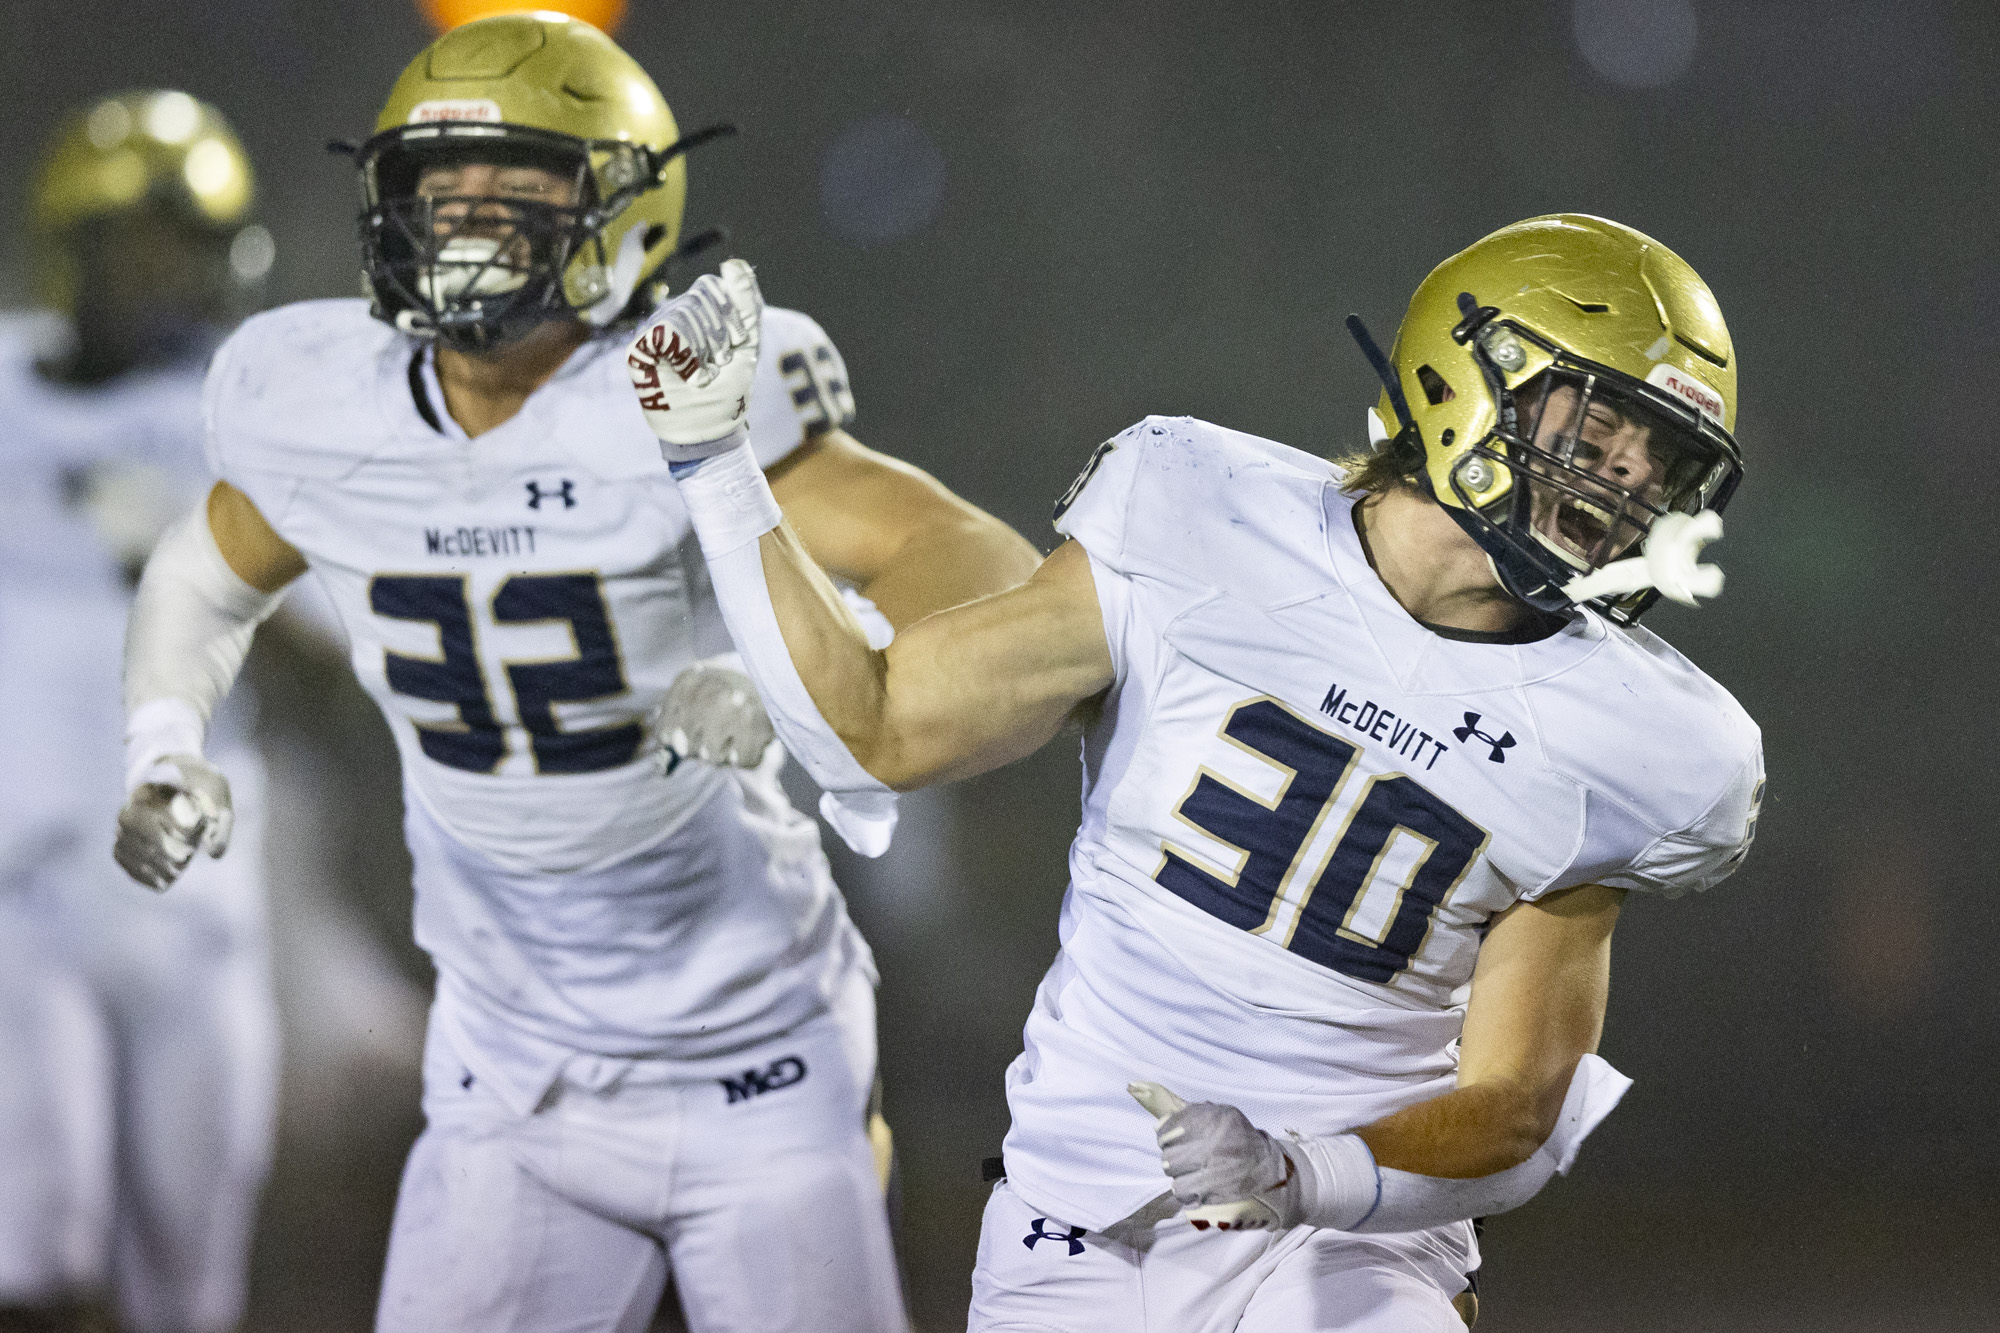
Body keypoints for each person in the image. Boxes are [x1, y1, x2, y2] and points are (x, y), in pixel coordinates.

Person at [626, 214, 1766, 1330]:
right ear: (1471, 378)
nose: (1628, 475)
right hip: (1078, 1218)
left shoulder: (1635, 739)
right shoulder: (1195, 512)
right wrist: (715, 462)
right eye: (1602, 425)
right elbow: (875, 727)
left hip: (1349, 1238)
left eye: (1659, 456)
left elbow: (1513, 1108)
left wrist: (1299, 1172)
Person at [112, 14, 1039, 1333]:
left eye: (521, 186)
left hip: (752, 1068)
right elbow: (205, 572)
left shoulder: (677, 389)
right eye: (444, 186)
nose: (469, 219)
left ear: (625, 210)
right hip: (511, 1077)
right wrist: (164, 738)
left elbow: (978, 560)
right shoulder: (327, 405)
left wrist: (828, 671)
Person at [0, 92, 279, 1333]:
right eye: (140, 243)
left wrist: (200, 566)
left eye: (188, 246)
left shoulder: (249, 418)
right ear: (77, 245)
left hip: (197, 911)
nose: (164, 275)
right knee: (41, 1256)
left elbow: (347, 666)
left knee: (189, 1281)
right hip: (24, 897)